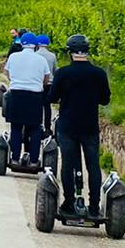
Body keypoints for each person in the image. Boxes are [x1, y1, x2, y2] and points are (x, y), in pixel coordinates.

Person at [49, 34, 112, 220]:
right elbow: (105, 99)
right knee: (93, 166)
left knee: (67, 164)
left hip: (68, 125)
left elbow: (52, 98)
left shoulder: (63, 73)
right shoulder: (99, 74)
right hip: (89, 126)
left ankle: (69, 203)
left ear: (70, 53)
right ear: (87, 51)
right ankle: (93, 207)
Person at [4, 32, 49, 165]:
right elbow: (46, 79)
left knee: (16, 127)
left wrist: (16, 80)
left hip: (17, 94)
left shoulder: (13, 57)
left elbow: (7, 72)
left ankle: (15, 158)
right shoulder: (41, 60)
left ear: (21, 44)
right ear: (35, 45)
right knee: (35, 128)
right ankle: (34, 160)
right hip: (34, 96)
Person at [37, 34, 59, 135]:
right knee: (47, 106)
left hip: (37, 84)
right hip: (49, 84)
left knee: (37, 106)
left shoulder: (35, 55)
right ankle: (47, 128)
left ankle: (38, 125)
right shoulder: (52, 56)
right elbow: (55, 71)